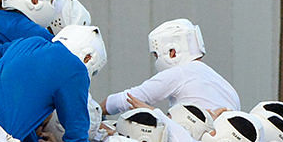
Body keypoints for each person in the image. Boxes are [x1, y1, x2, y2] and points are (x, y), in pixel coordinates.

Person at [101, 19, 239, 116]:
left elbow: (128, 99)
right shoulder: (224, 85)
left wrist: (96, 112)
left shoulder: (181, 73)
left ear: (172, 52)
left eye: (156, 55)